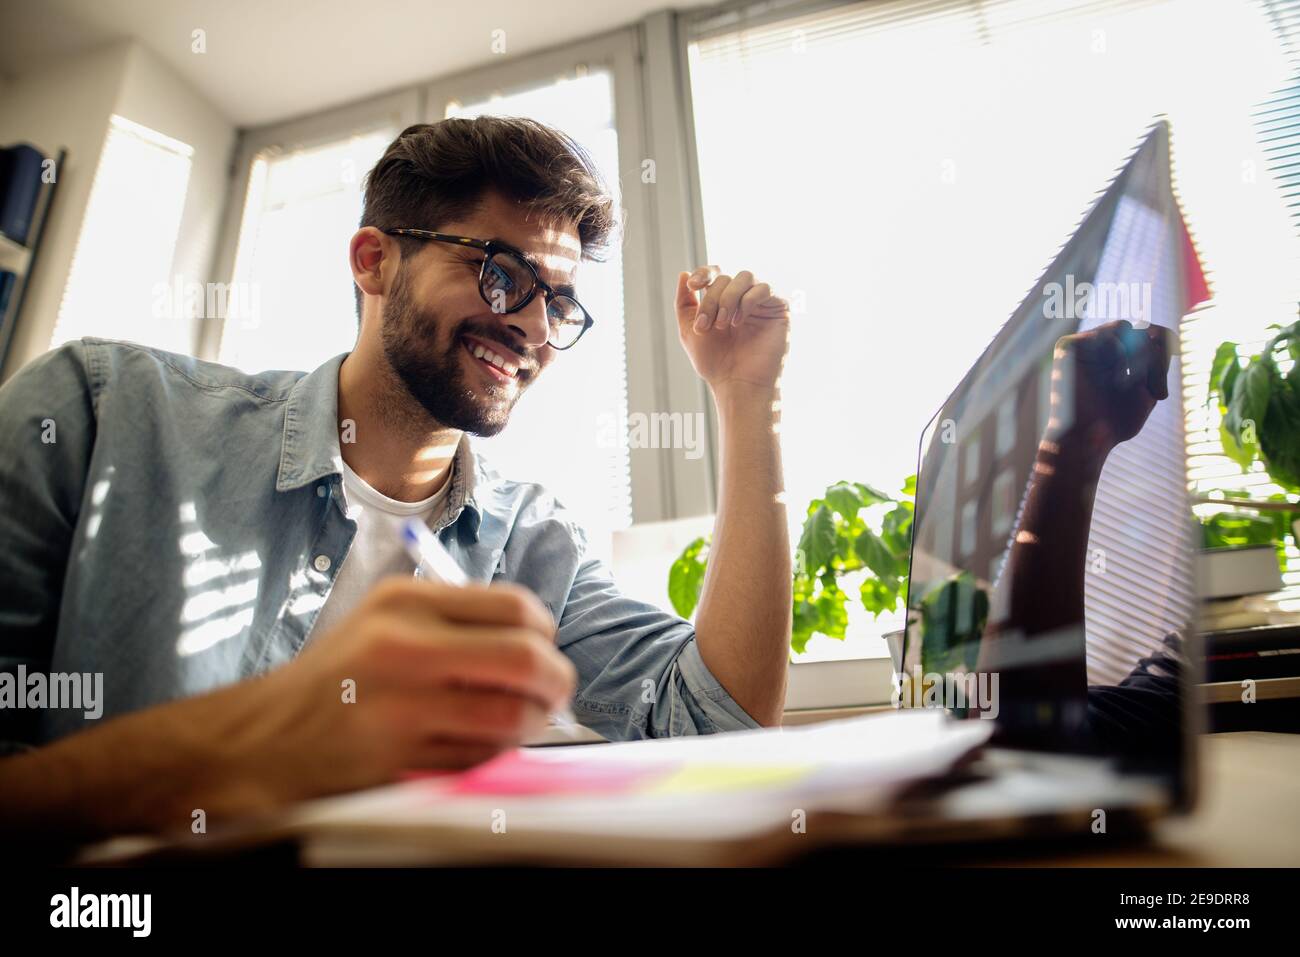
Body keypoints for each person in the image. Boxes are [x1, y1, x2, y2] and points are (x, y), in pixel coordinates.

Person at [0, 117, 793, 845]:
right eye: (499, 272)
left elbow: (715, 722)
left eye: (557, 303)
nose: (531, 327)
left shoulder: (534, 549)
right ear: (374, 260)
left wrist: (746, 398)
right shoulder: (100, 415)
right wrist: (267, 737)